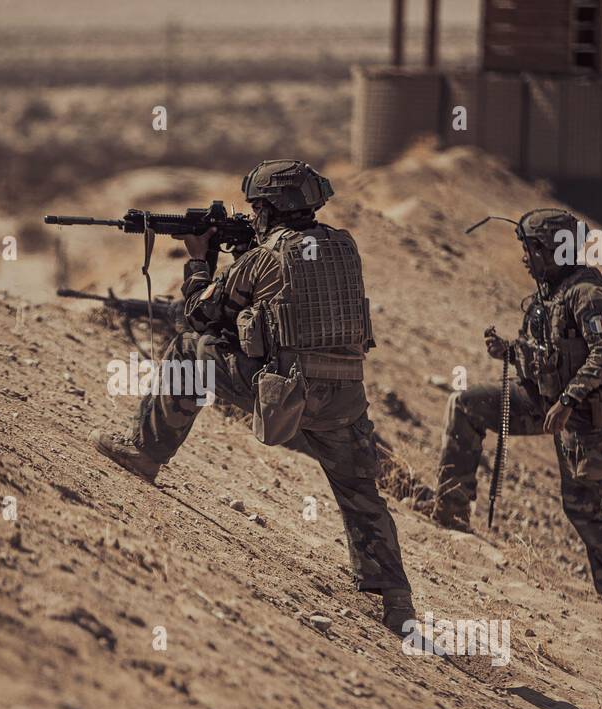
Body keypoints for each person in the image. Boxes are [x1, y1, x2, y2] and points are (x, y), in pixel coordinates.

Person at [90, 159, 415, 632]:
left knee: (187, 349)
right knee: (359, 492)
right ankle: (396, 600)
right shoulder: (345, 247)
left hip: (283, 394)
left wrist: (201, 260)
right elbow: (301, 296)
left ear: (267, 209)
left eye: (257, 208)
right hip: (345, 397)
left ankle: (145, 451)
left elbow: (201, 315)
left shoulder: (262, 259)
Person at [425, 208, 602, 609]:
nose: (525, 258)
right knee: (465, 406)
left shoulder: (587, 295)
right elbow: (548, 354)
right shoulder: (550, 294)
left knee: (584, 505)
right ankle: (451, 514)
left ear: (553, 250)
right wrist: (508, 351)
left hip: (579, 416)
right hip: (540, 401)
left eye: (531, 249)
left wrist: (568, 399)